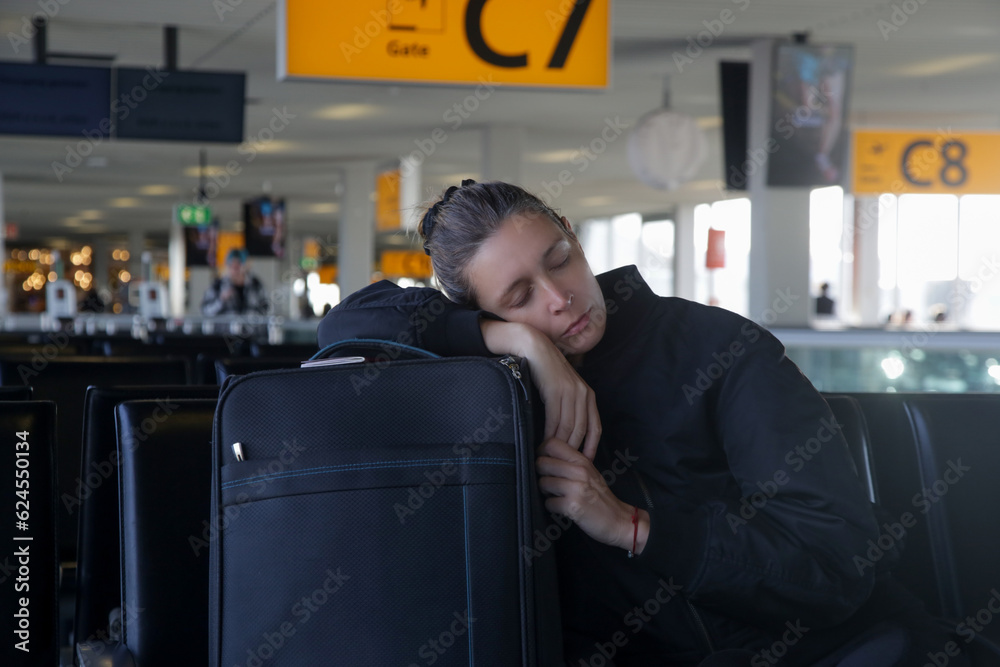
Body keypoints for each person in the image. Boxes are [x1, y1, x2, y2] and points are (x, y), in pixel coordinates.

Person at [317, 180, 966, 667]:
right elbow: (348, 323)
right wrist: (524, 344)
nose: (559, 295)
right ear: (481, 314)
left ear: (572, 233)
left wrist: (633, 526)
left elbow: (836, 563)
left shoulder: (717, 349)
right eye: (518, 297)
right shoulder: (497, 384)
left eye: (560, 257)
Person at [201, 248, 269, 316]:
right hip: (226, 326)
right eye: (231, 266)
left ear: (245, 266)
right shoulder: (218, 286)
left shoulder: (255, 284)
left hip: (251, 325)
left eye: (238, 266)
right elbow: (206, 311)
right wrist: (221, 300)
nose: (234, 270)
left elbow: (266, 308)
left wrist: (253, 315)